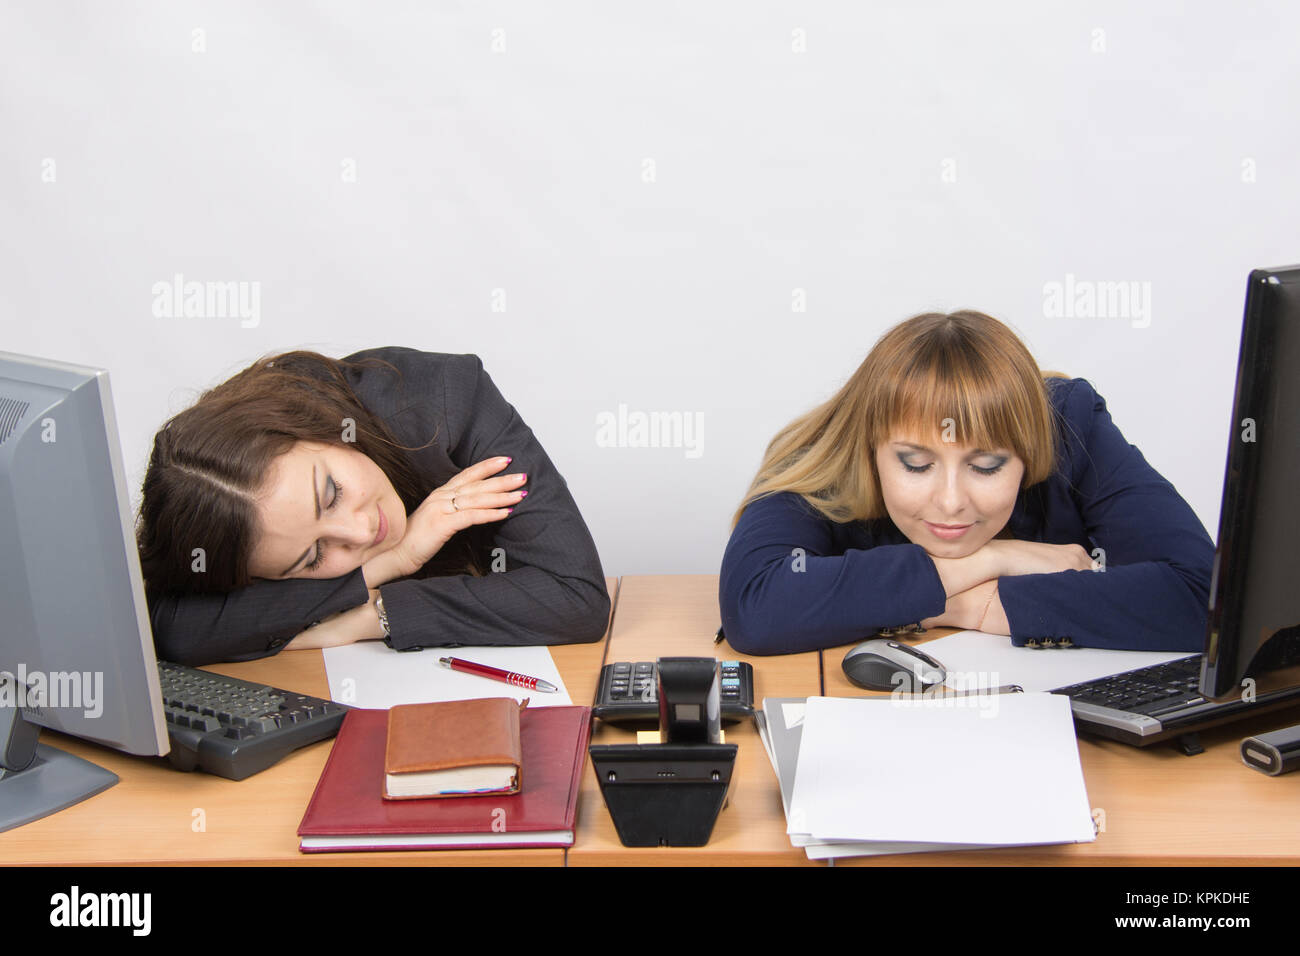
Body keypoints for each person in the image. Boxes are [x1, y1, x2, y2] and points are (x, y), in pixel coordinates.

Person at [718, 310, 1215, 655]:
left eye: (986, 466)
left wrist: (971, 607)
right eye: (915, 464)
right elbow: (755, 606)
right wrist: (995, 558)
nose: (952, 502)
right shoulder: (825, 455)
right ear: (870, 448)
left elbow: (1204, 599)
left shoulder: (1069, 424)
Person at [137, 346, 610, 666]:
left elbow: (574, 598)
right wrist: (389, 562)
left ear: (313, 426)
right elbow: (172, 629)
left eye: (331, 494)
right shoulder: (230, 537)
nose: (360, 532)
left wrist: (369, 617)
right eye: (314, 557)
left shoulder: (443, 398)